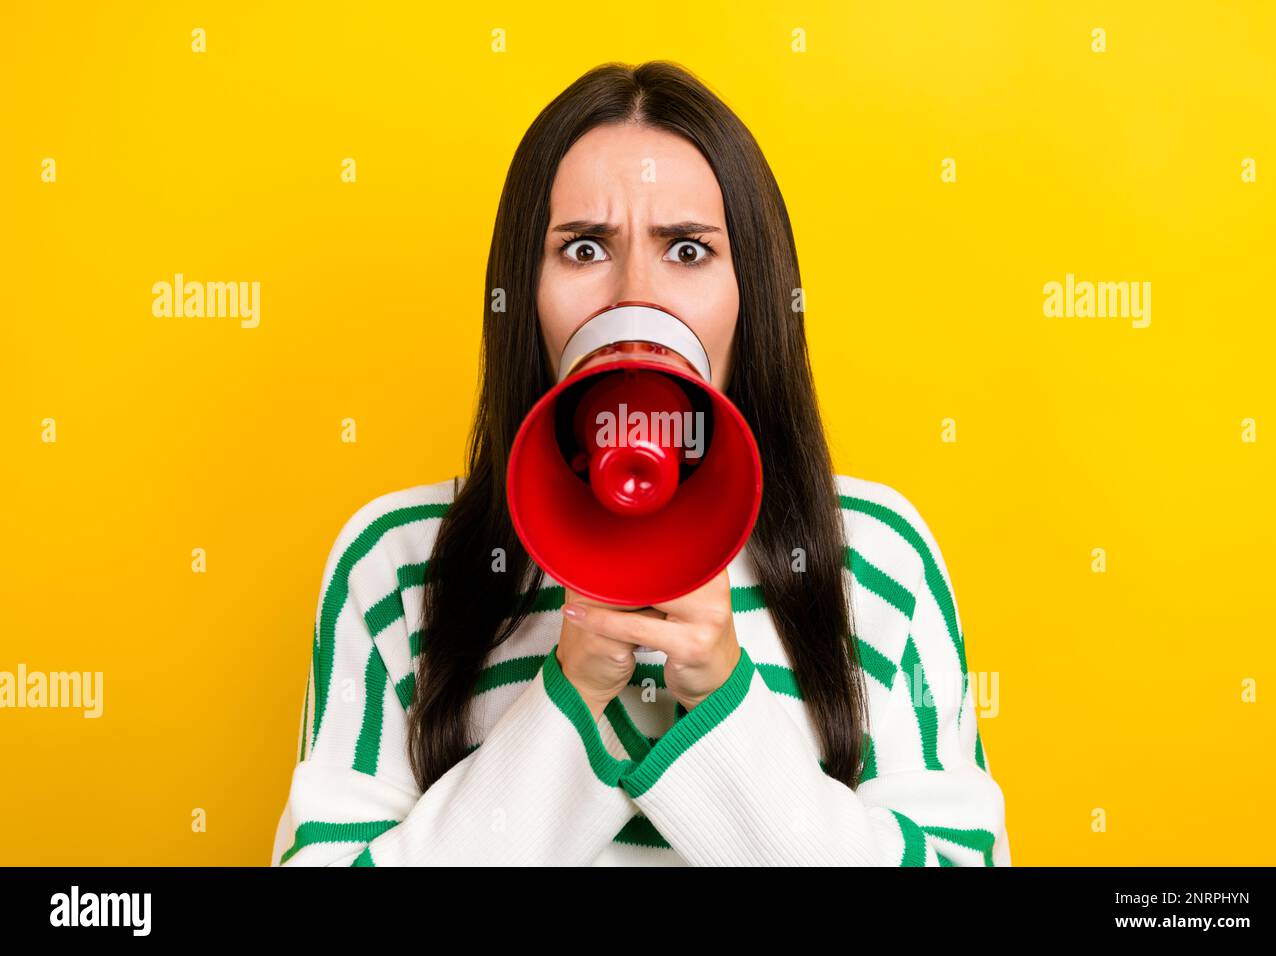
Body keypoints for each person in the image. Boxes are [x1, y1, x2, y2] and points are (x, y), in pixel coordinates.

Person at [270, 60, 1010, 866]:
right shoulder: (399, 565)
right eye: (584, 248)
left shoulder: (873, 559)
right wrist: (571, 699)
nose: (635, 297)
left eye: (688, 250)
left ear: (752, 295)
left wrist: (721, 704)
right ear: (523, 292)